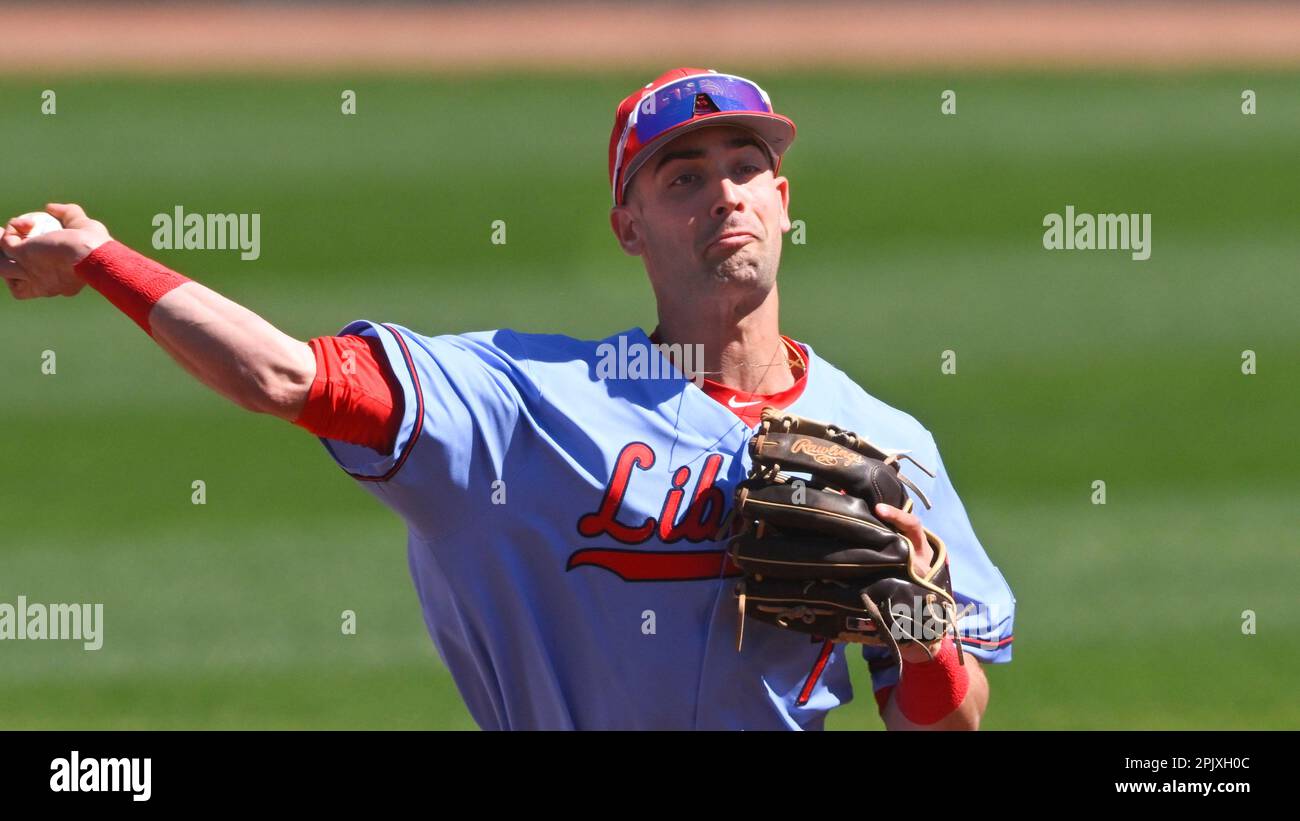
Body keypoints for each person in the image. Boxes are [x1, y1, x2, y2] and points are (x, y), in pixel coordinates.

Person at [2, 67, 1014, 730]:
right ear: (629, 226)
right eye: (683, 175)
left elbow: (944, 717)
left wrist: (920, 631)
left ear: (784, 203)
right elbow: (283, 376)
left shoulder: (883, 443)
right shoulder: (517, 401)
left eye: (749, 167)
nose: (726, 193)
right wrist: (101, 261)